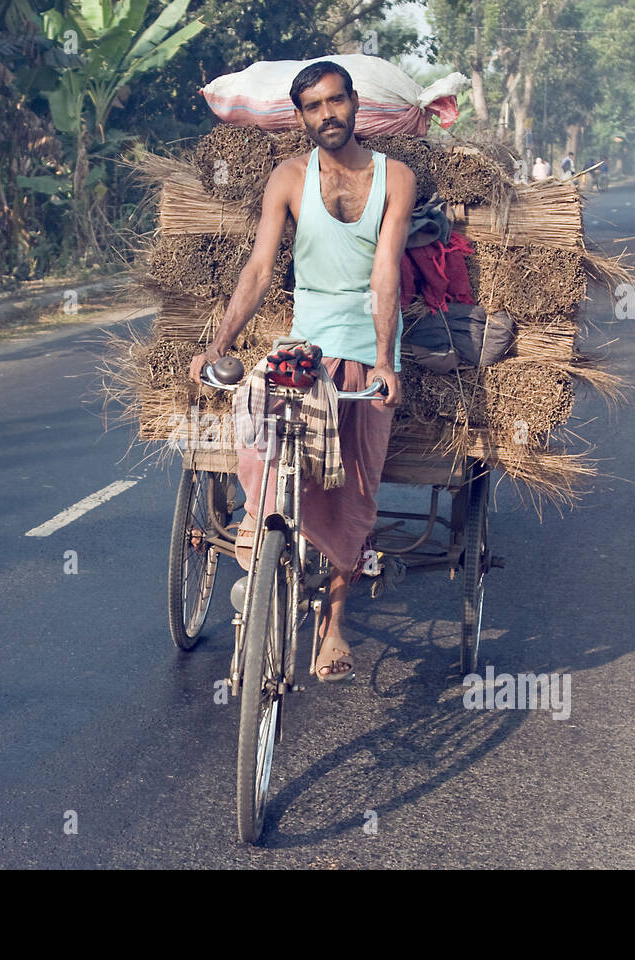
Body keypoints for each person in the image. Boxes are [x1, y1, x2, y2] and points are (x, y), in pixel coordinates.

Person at [188, 60, 414, 682]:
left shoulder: (396, 177)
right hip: (305, 349)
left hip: (366, 349)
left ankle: (333, 624)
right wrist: (218, 345)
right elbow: (261, 270)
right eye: (313, 107)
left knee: (355, 485)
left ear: (355, 103)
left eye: (336, 102)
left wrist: (385, 360)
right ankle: (264, 535)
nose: (327, 115)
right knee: (256, 411)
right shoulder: (288, 177)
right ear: (302, 118)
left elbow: (385, 273)